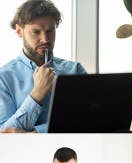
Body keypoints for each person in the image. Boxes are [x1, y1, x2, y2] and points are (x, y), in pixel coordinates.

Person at [0, 0, 86, 133]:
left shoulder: (75, 70)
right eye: (36, 32)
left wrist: (37, 133)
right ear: (19, 31)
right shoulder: (3, 78)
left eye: (50, 31)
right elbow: (4, 134)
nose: (45, 39)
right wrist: (37, 93)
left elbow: (89, 120)